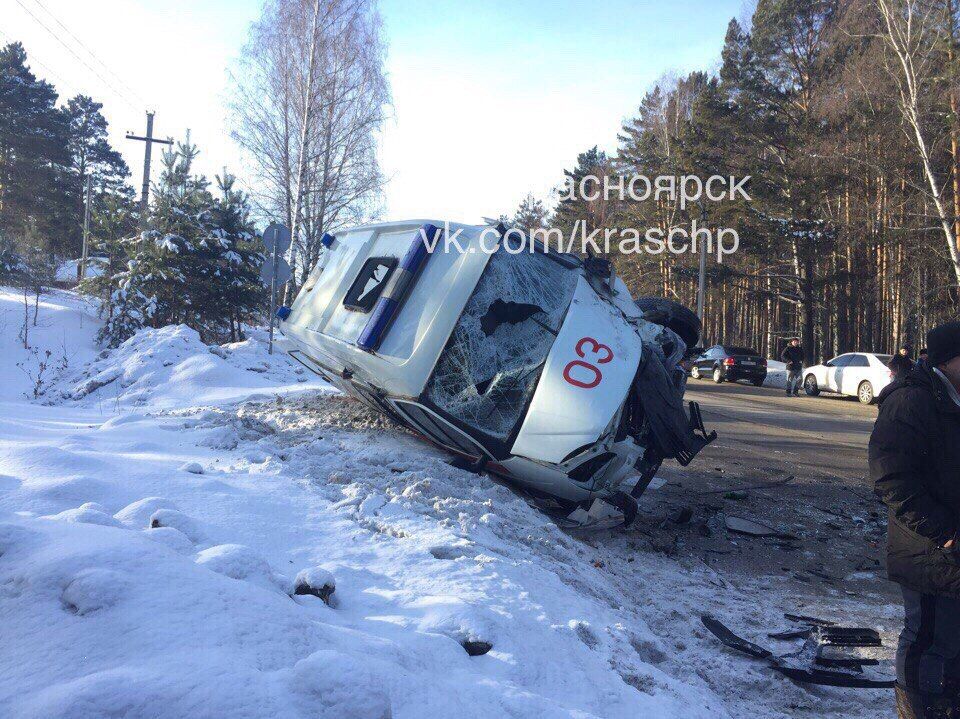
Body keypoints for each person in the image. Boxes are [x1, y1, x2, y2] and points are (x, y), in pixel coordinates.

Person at [870, 321, 960, 718]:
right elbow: (892, 479)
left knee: (952, 642)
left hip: (950, 546)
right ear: (951, 359)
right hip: (929, 549)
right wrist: (945, 535)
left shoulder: (952, 399)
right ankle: (917, 711)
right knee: (928, 640)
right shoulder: (912, 401)